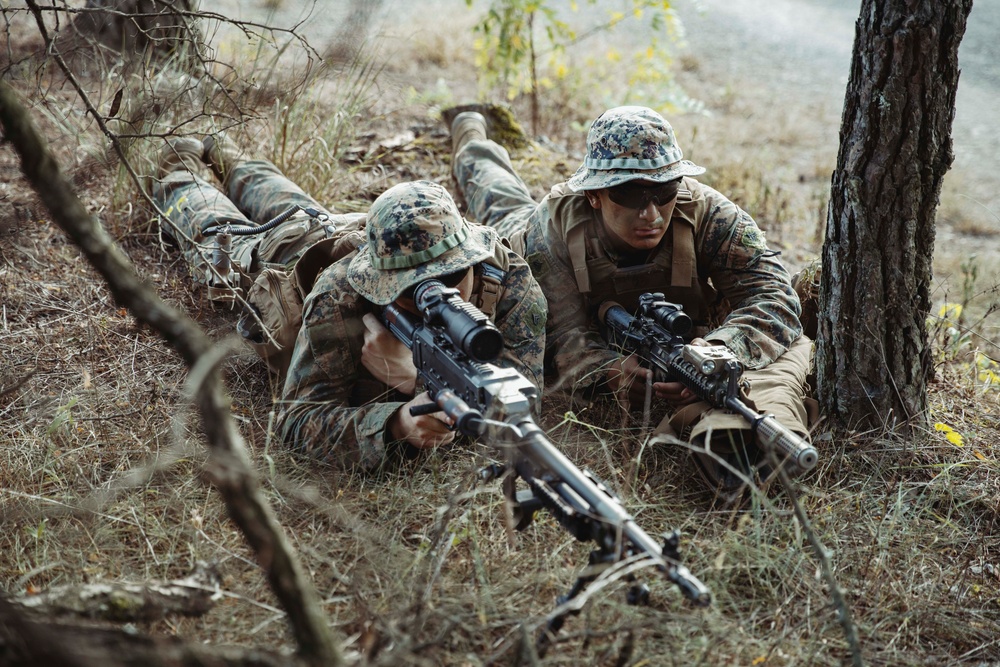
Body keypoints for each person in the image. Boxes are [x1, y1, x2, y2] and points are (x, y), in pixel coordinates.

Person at [448, 105, 816, 502]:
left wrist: (719, 350)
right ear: (593, 195)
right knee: (498, 195)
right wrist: (609, 370)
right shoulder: (548, 231)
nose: (651, 213)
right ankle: (469, 128)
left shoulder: (708, 212)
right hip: (523, 234)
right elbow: (552, 333)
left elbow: (773, 294)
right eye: (628, 193)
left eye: (664, 191)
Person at [151, 138, 547, 472]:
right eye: (410, 288)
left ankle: (223, 147)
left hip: (345, 230)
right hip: (287, 264)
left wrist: (412, 386)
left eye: (450, 276)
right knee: (214, 231)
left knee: (281, 195)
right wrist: (393, 427)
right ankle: (176, 164)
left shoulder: (508, 278)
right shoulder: (339, 292)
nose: (440, 296)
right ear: (384, 282)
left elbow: (519, 404)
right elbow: (295, 421)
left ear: (471, 257)